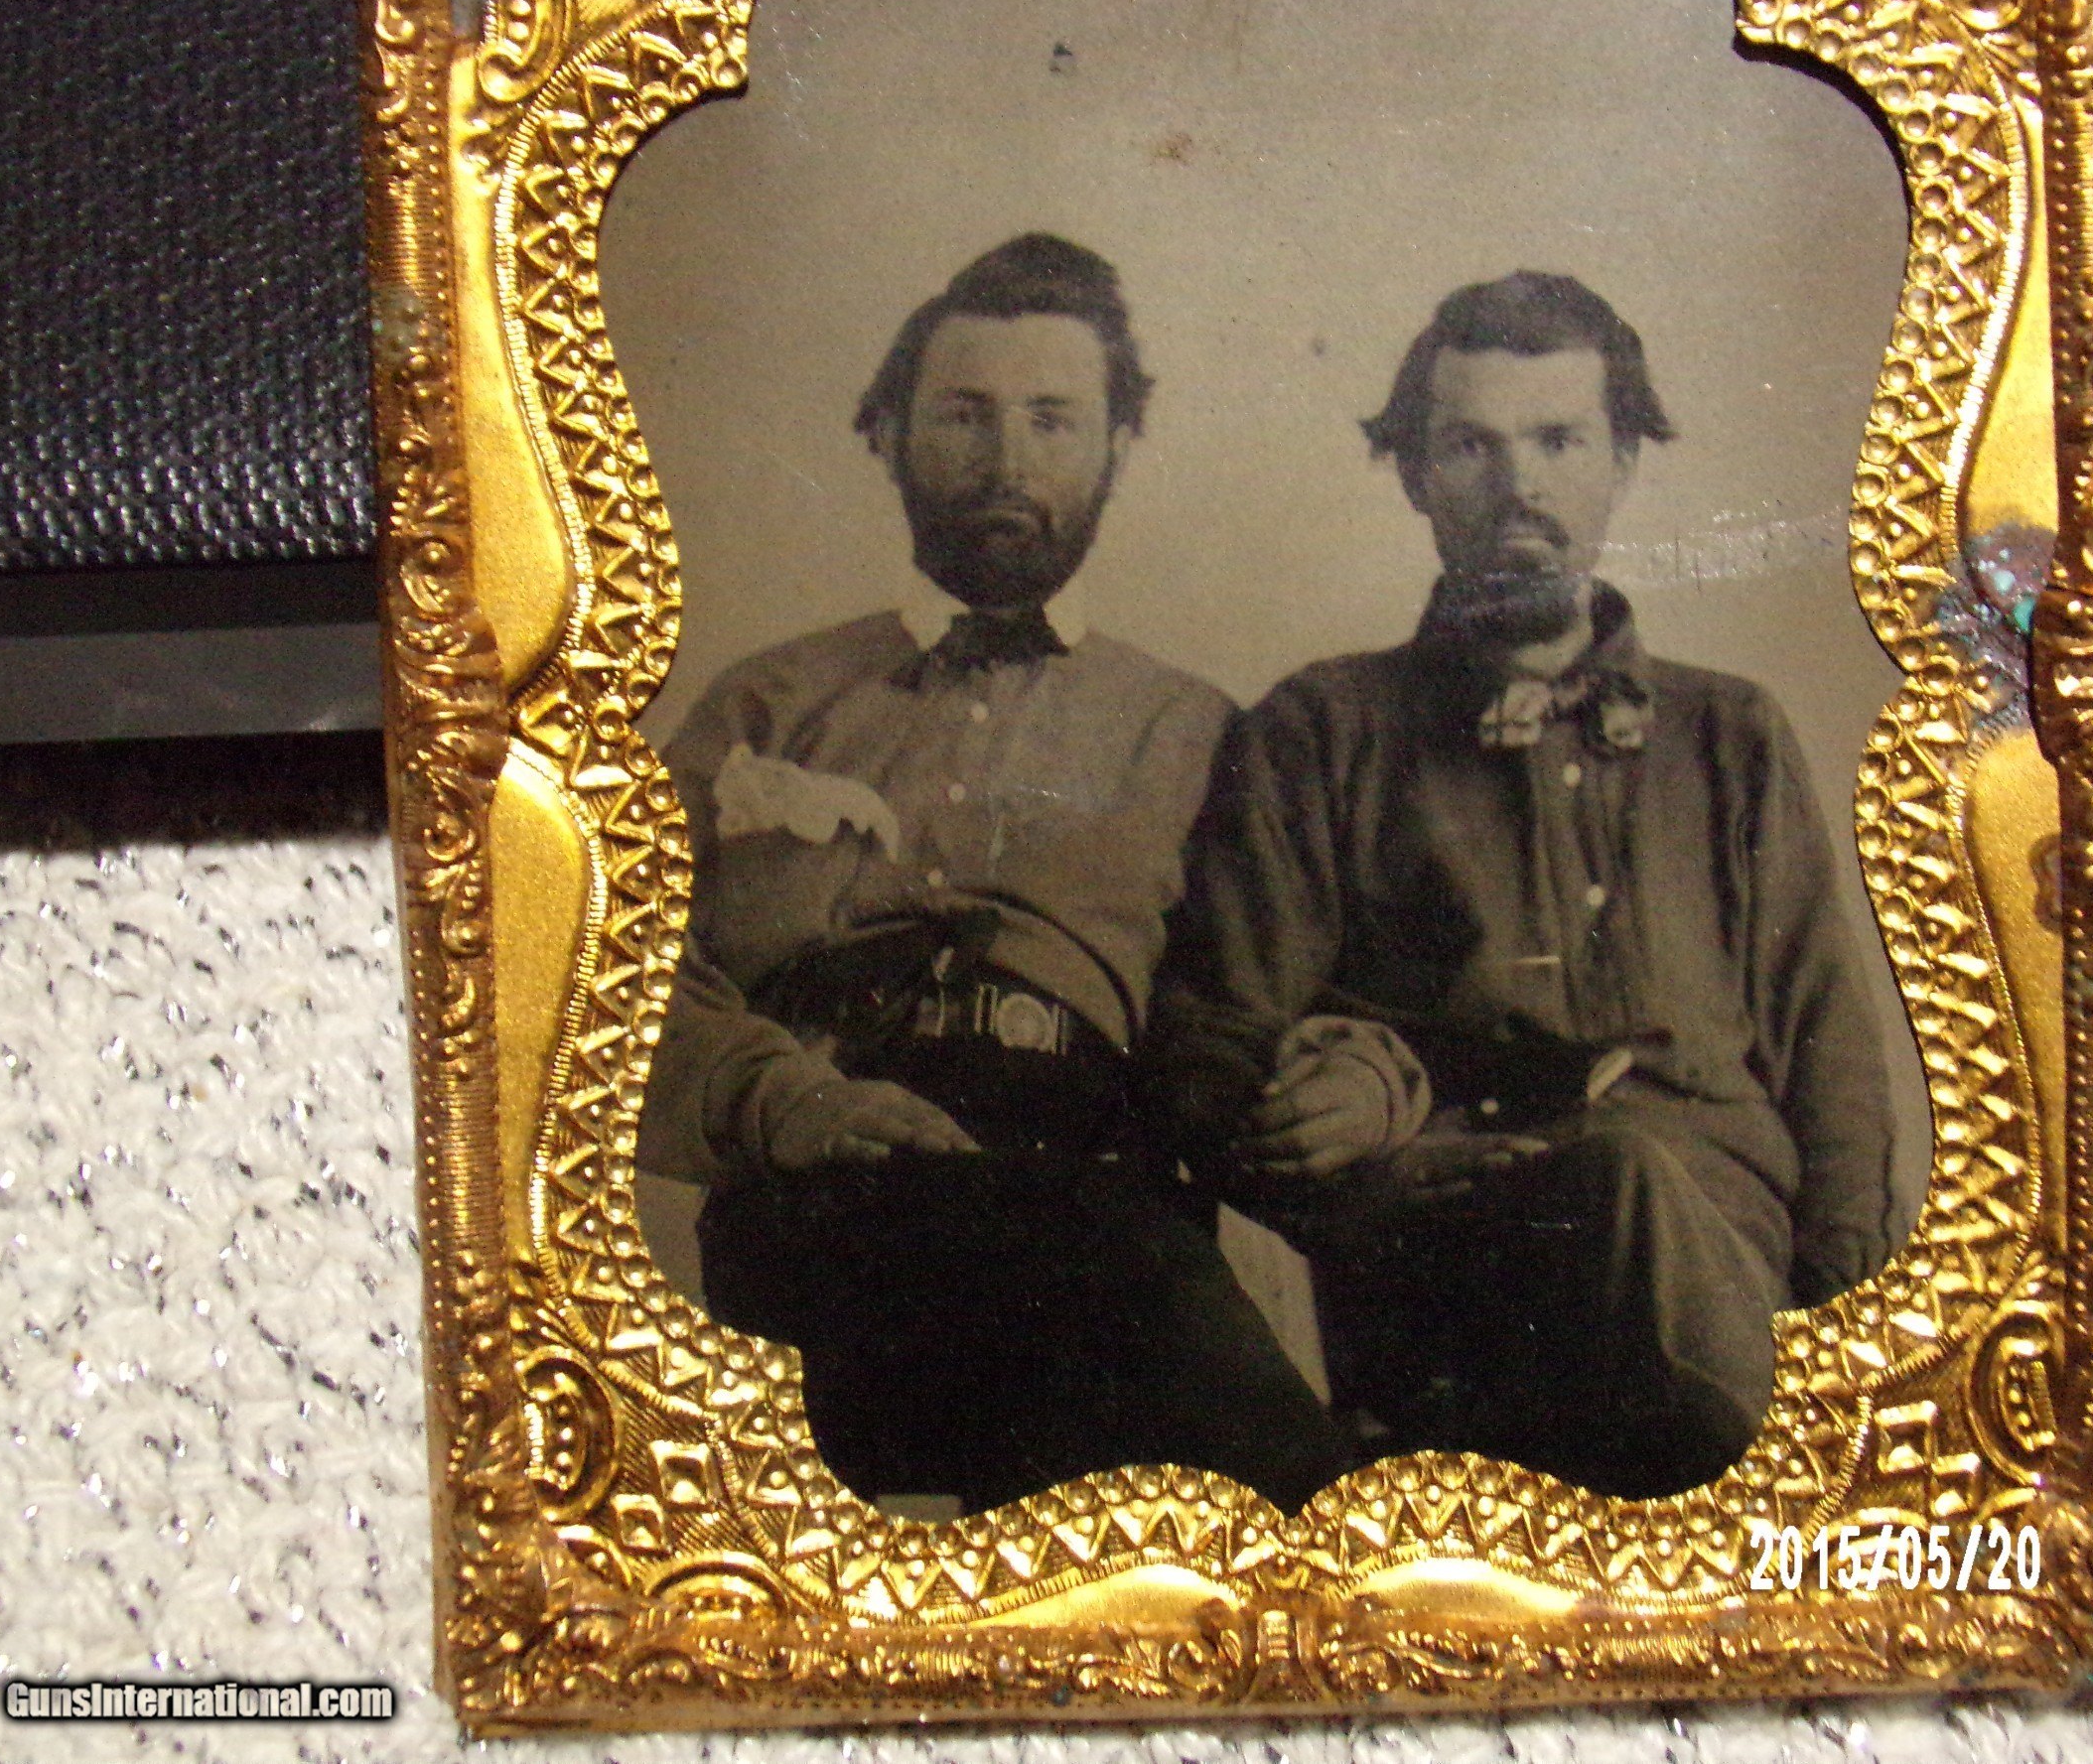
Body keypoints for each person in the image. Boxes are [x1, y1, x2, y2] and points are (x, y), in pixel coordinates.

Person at [1151, 271, 1897, 1498]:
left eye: (1558, 441)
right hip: (1449, 1259)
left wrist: (1849, 1325)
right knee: (1613, 1189)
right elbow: (1207, 1048)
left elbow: (1831, 1058)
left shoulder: (1729, 735)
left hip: (1728, 1251)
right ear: (1412, 474)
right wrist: (1352, 1136)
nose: (1520, 487)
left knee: (1643, 1185)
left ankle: (1778, 1468)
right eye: (1470, 447)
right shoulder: (1320, 729)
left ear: (1623, 462)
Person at [641, 233, 1346, 1515]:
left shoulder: (1197, 729)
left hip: (1091, 1181)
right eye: (964, 416)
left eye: (1052, 421)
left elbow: (1273, 994)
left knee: (1110, 1288)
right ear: (887, 434)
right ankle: (1347, 1543)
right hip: (824, 1197)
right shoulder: (768, 699)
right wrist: (784, 1101)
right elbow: (603, 976)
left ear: (1119, 444)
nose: (1008, 462)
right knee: (1127, 1299)